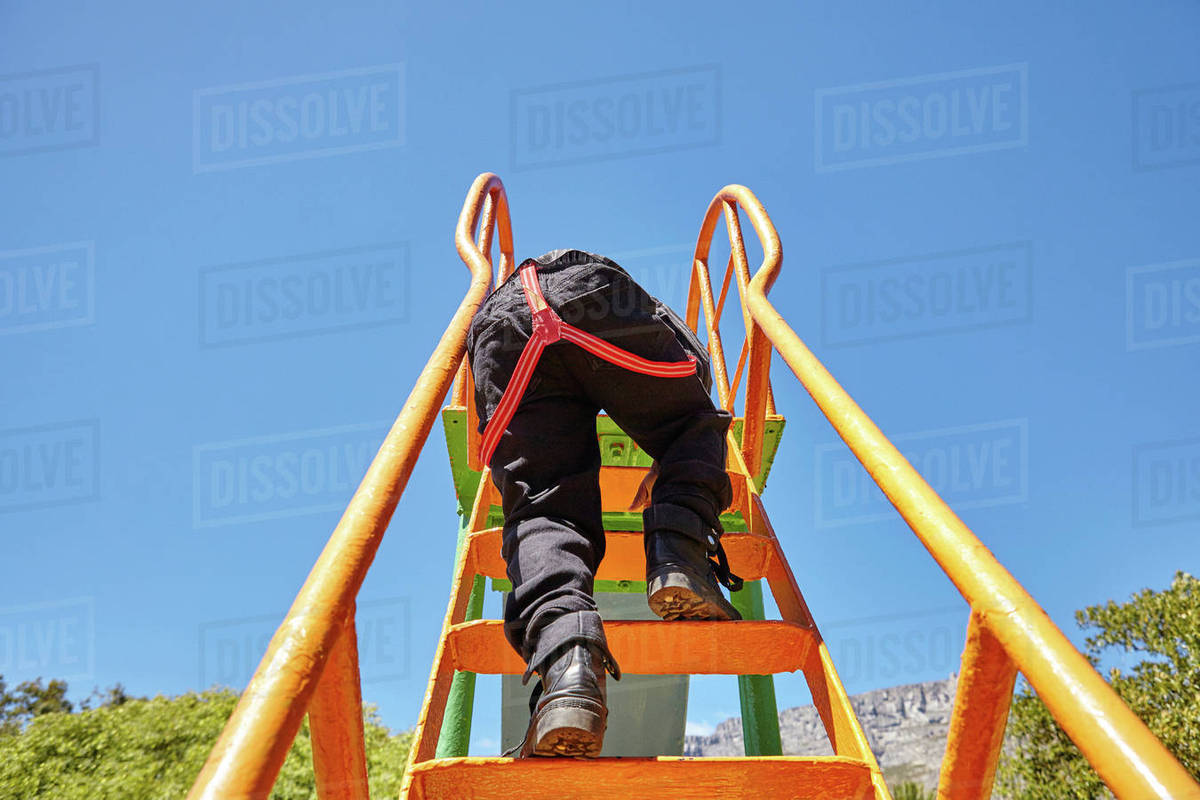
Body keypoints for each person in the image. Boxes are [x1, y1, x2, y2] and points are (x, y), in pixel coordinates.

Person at [466, 249, 743, 758]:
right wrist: (672, 461)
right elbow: (692, 375)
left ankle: (569, 671)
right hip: (589, 293)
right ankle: (679, 557)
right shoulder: (630, 299)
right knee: (696, 424)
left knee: (543, 511)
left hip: (500, 330)